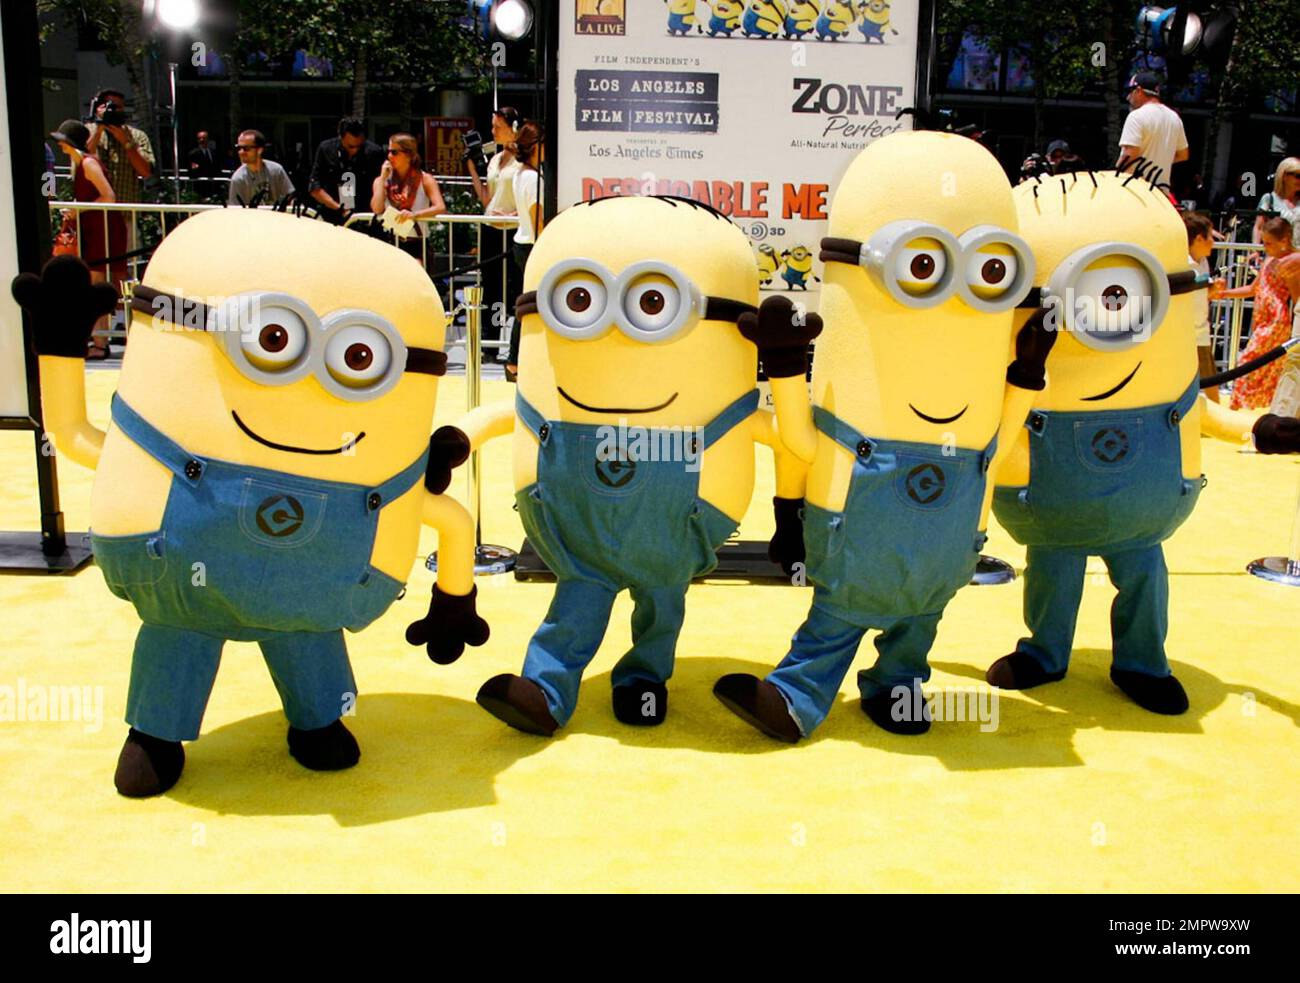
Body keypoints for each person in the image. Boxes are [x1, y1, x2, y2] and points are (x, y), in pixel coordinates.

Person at [50, 119, 124, 359]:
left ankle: (101, 342)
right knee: (97, 285)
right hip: (94, 227)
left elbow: (108, 196)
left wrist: (77, 209)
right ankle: (100, 341)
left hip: (102, 228)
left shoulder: (88, 164)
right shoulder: (81, 163)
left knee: (98, 285)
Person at [467, 107, 524, 358]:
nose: (493, 132)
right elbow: (487, 197)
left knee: (515, 288)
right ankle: (488, 345)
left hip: (514, 229)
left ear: (512, 127)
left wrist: (513, 215)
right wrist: (471, 167)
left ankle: (516, 347)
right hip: (492, 229)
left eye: (497, 127)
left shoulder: (524, 159)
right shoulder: (495, 159)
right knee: (490, 287)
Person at [1222, 217, 1295, 410]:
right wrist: (1224, 293)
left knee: (1248, 360)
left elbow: (1296, 297)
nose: (1265, 247)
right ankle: (1254, 405)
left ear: (1284, 241)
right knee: (1267, 366)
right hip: (1264, 320)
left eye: (1269, 243)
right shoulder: (1270, 260)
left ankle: (1239, 406)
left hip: (1276, 321)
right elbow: (1253, 289)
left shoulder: (1290, 262)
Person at [504, 120, 544, 380]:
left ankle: (515, 360)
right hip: (531, 244)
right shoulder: (532, 178)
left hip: (523, 242)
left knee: (526, 303)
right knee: (528, 306)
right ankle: (515, 359)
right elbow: (537, 219)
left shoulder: (522, 174)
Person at [370, 133, 447, 261]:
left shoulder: (425, 179)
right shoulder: (381, 180)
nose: (389, 156)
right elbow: (377, 209)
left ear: (409, 155)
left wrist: (415, 214)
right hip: (388, 242)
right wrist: (383, 178)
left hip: (415, 243)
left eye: (394, 152)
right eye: (388, 151)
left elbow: (440, 207)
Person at [1116, 71, 1188, 185]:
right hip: (1159, 193)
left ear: (1138, 90)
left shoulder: (1136, 116)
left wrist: (1113, 177)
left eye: (1130, 91)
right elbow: (1183, 155)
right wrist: (1159, 161)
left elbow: (1129, 155)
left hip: (1135, 190)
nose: (1128, 97)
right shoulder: (1174, 118)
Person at [308, 117, 385, 225]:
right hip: (331, 214)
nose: (355, 150)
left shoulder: (374, 153)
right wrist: (339, 208)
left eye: (359, 146)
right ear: (341, 137)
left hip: (363, 217)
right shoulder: (326, 149)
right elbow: (315, 186)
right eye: (351, 146)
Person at [85, 89, 154, 205]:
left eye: (117, 107)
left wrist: (126, 143)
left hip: (125, 209)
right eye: (106, 106)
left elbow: (146, 172)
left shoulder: (137, 136)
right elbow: (80, 161)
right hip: (93, 209)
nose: (112, 110)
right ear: (97, 109)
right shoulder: (86, 131)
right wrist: (98, 132)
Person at [1184, 211, 1226, 402]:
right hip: (1184, 333)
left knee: (1209, 375)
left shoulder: (1203, 262)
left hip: (1200, 330)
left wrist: (1214, 290)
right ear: (1199, 239)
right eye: (1210, 237)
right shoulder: (1183, 264)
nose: (1213, 242)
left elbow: (1203, 297)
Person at [227, 129, 295, 206]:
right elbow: (236, 210)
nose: (241, 152)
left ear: (259, 150)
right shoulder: (238, 178)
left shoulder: (276, 170)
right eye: (239, 148)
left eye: (246, 148)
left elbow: (290, 198)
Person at [1254, 157, 1300, 249]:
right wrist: (1255, 251)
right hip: (1276, 256)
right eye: (1298, 176)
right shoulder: (1269, 199)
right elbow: (1259, 228)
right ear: (1284, 176)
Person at [186, 130, 221, 199]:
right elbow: (192, 169)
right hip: (200, 185)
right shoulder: (193, 153)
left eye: (204, 138)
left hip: (213, 185)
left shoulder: (213, 152)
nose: (202, 140)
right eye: (199, 138)